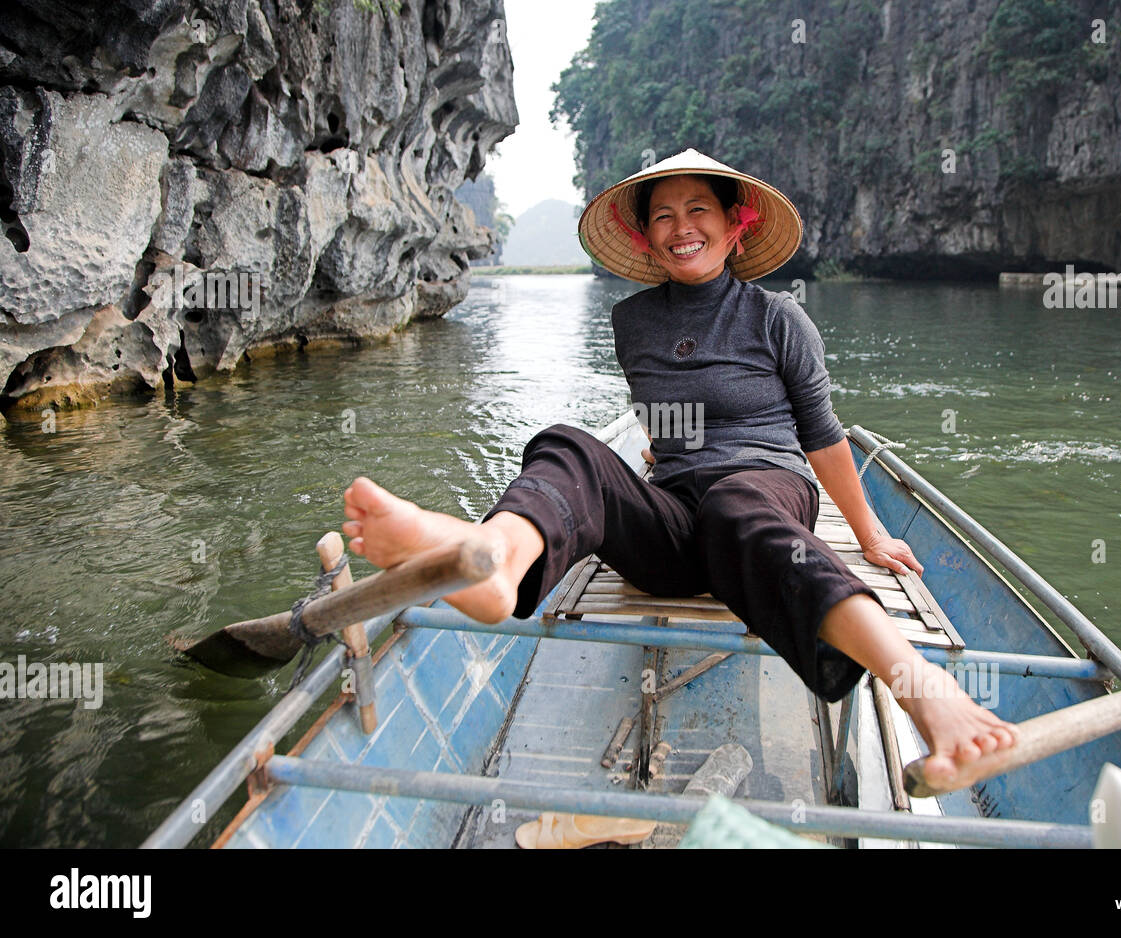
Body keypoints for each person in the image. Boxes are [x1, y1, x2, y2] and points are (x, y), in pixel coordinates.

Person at [341, 149, 1016, 788]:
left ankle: (925, 690)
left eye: (699, 210)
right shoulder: (631, 321)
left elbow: (822, 434)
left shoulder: (779, 319)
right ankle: (493, 559)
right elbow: (660, 416)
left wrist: (867, 532)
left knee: (735, 505)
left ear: (733, 224)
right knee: (570, 445)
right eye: (663, 215)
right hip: (677, 515)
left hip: (763, 495)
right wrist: (657, 458)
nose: (681, 227)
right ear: (646, 237)